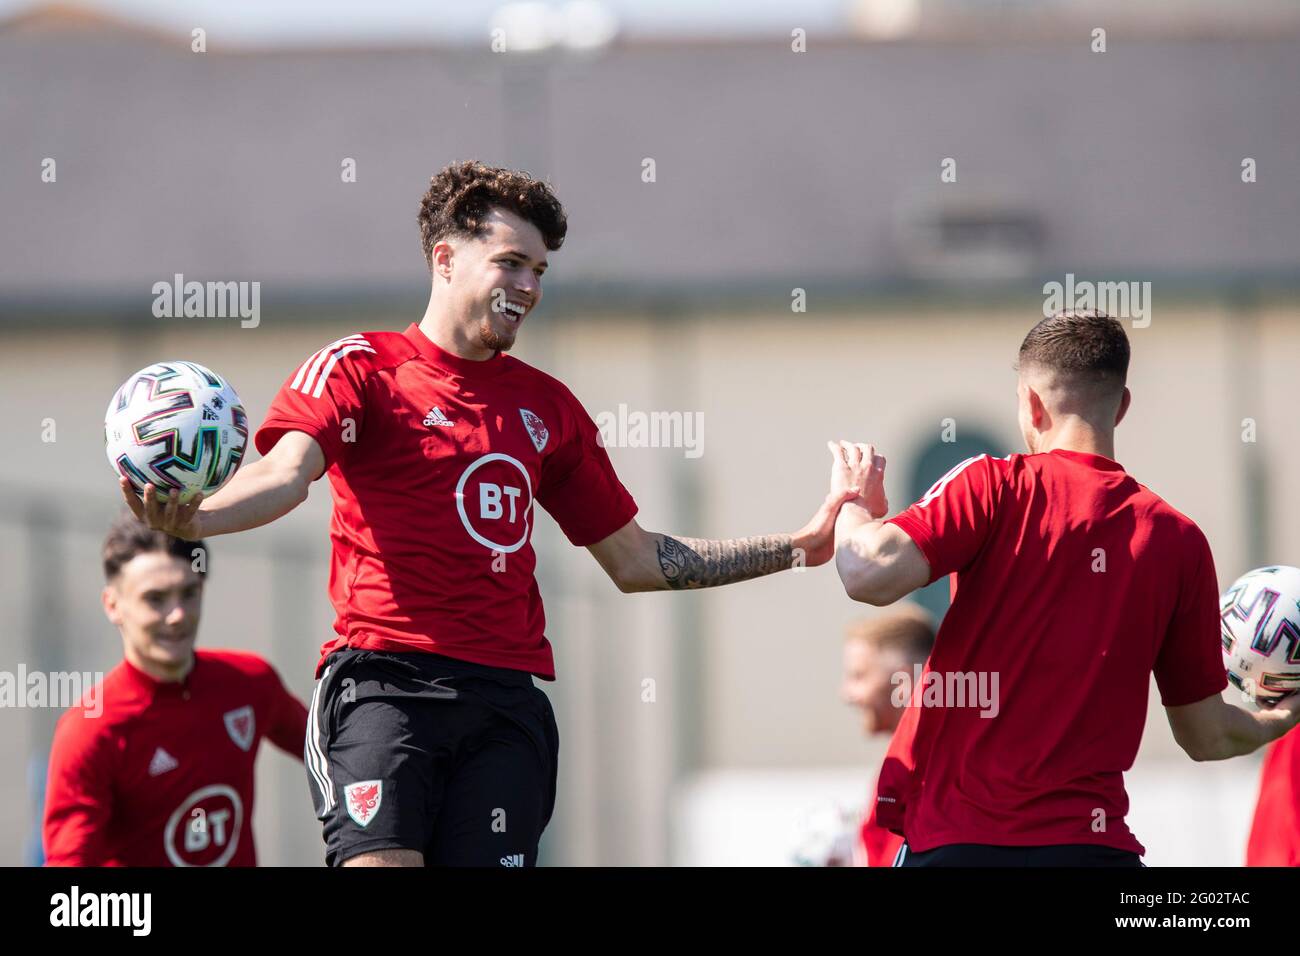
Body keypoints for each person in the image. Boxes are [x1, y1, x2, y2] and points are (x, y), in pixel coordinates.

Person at [123, 160, 853, 867]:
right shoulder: (359, 368)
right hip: (384, 690)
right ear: (445, 258)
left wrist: (798, 546)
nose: (529, 287)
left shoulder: (548, 408)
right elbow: (286, 476)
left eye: (539, 271)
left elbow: (635, 561)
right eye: (510, 263)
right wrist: (199, 521)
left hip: (504, 707)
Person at [828, 310, 1300, 866]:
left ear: (1030, 402)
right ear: (1122, 405)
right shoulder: (1178, 539)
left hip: (963, 845)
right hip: (1094, 855)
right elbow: (1208, 738)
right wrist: (1285, 713)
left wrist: (853, 505)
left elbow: (865, 574)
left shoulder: (992, 486)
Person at [43, 512, 307, 866]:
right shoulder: (90, 730)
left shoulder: (249, 682)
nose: (178, 614)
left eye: (189, 592)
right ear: (113, 605)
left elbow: (333, 752)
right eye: (156, 599)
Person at [840, 605, 934, 866]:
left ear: (901, 683)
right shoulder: (900, 766)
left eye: (859, 676)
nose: (846, 694)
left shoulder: (922, 774)